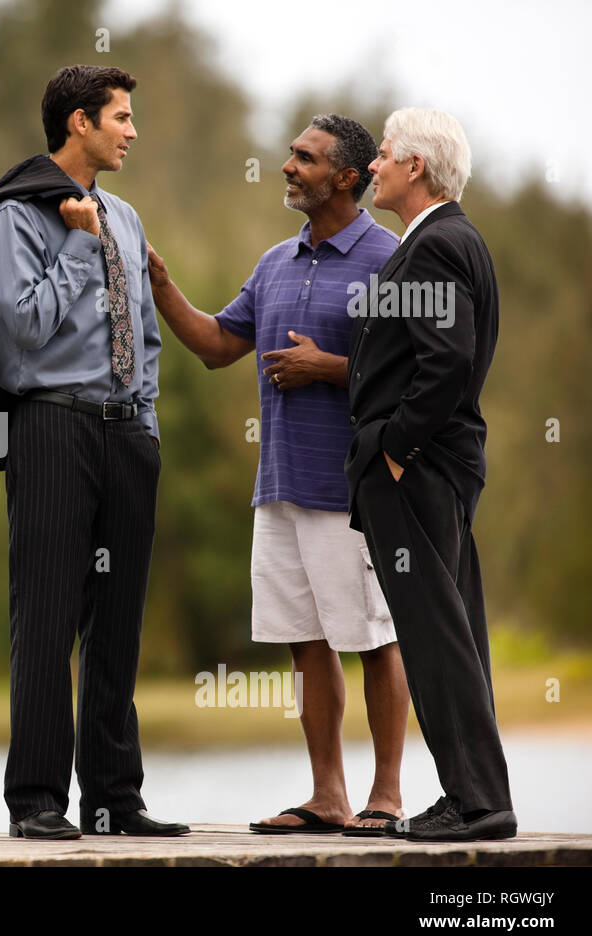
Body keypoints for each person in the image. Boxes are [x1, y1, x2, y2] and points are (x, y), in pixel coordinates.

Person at [0, 64, 188, 839]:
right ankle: (37, 802)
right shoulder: (17, 218)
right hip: (50, 429)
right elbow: (25, 332)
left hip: (127, 434)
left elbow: (142, 329)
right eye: (121, 117)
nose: (132, 132)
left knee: (119, 622)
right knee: (44, 619)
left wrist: (147, 418)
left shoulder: (130, 218)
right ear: (79, 123)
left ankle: (114, 801)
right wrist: (79, 245)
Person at [148, 115, 411, 835]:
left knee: (374, 637)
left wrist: (327, 368)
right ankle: (328, 796)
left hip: (354, 489)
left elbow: (420, 376)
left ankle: (385, 798)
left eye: (305, 158)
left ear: (348, 178)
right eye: (291, 154)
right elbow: (214, 345)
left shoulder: (390, 259)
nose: (287, 166)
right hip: (280, 488)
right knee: (305, 640)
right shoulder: (274, 263)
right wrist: (160, 281)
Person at [347, 108, 516, 841]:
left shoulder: (438, 246)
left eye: (383, 155)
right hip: (436, 469)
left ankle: (476, 803)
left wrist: (394, 447)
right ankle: (477, 796)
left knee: (434, 634)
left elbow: (446, 362)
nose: (373, 166)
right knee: (452, 631)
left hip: (417, 472)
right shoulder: (457, 239)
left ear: (416, 167)